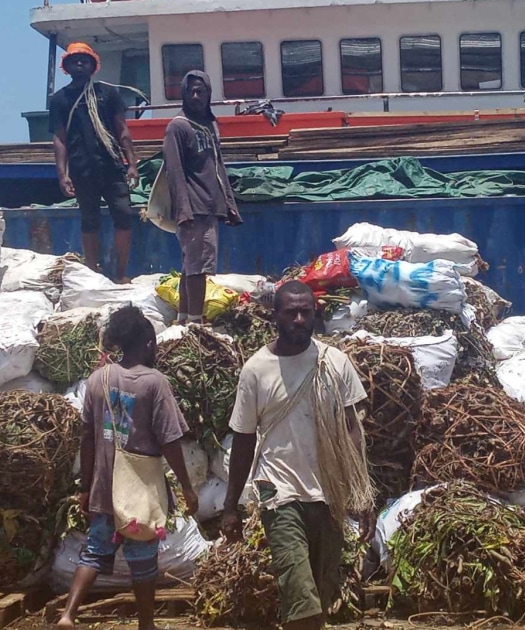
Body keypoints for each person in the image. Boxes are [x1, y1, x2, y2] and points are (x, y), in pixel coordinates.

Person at [222, 280, 376, 630]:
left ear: (314, 314)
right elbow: (244, 439)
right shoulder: (256, 370)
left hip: (328, 495)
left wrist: (361, 492)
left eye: (305, 312)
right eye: (290, 312)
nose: (298, 319)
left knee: (321, 596)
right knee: (300, 599)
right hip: (279, 494)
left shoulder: (335, 362)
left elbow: (352, 430)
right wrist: (231, 506)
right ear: (274, 316)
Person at [57, 305, 200, 630]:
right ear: (149, 343)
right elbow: (170, 441)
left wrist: (84, 488)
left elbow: (87, 440)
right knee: (142, 558)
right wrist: (187, 487)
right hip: (138, 490)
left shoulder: (98, 379)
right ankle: (146, 624)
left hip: (104, 487)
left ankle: (68, 614)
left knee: (94, 551)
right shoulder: (155, 383)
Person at [49, 42, 140, 283]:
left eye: (85, 60)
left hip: (111, 166)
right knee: (89, 221)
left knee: (123, 215)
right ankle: (92, 273)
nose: (80, 63)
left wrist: (131, 163)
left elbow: (122, 130)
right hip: (82, 168)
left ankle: (121, 273)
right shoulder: (59, 100)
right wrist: (63, 174)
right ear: (66, 66)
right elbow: (60, 139)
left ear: (93, 66)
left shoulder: (107, 94)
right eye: (75, 60)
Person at [162, 71, 243, 324]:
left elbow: (219, 166)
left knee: (191, 267)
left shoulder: (210, 126)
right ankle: (197, 324)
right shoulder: (178, 127)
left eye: (201, 91)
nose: (196, 95)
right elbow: (174, 171)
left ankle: (184, 318)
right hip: (194, 207)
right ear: (183, 94)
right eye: (191, 91)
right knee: (198, 268)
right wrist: (183, 210)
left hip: (210, 205)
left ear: (209, 94)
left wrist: (229, 204)